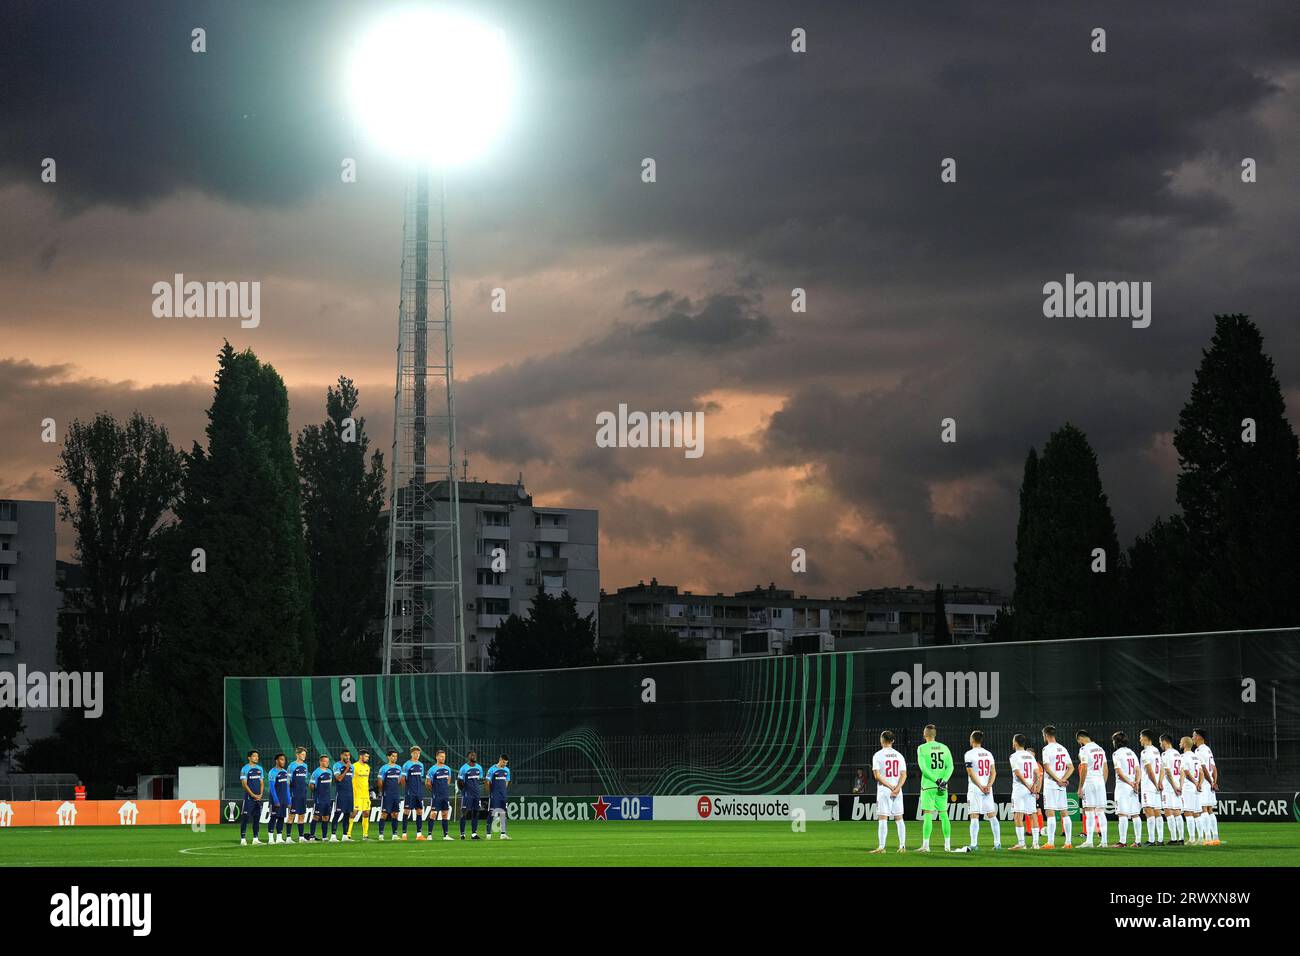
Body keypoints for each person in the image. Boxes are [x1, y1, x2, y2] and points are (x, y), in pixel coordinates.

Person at [915, 725, 953, 852]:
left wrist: (936, 780)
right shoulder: (944, 747)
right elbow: (950, 767)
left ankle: (926, 846)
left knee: (927, 814)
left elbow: (924, 769)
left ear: (924, 734)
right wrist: (943, 781)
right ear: (934, 735)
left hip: (928, 785)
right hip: (942, 786)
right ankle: (947, 846)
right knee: (944, 814)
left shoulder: (921, 748)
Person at [870, 731, 907, 854]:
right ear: (893, 741)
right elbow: (904, 774)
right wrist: (897, 788)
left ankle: (881, 847)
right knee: (899, 818)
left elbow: (877, 775)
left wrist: (891, 787)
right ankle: (902, 846)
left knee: (883, 818)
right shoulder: (899, 755)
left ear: (881, 740)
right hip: (898, 790)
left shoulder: (878, 755)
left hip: (885, 790)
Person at [963, 730, 1000, 850]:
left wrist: (980, 786)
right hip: (987, 789)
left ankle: (974, 844)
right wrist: (989, 785)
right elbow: (993, 772)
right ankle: (997, 843)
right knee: (992, 815)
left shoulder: (969, 754)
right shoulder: (988, 754)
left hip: (976, 788)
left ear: (972, 740)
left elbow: (970, 772)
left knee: (974, 815)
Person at [1040, 726, 1074, 849]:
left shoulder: (1046, 749)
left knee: (1050, 812)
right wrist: (1063, 779)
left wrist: (1058, 780)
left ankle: (1050, 843)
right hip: (1061, 786)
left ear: (1045, 735)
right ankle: (1068, 842)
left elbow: (1047, 767)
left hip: (1051, 785)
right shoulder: (1063, 748)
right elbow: (1071, 767)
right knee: (1064, 813)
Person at [1075, 730, 1108, 847]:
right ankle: (1104, 841)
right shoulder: (1100, 749)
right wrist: (1102, 783)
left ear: (1081, 738)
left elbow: (1083, 768)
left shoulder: (1084, 749)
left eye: (1079, 741)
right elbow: (1105, 769)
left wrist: (1080, 787)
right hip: (1100, 781)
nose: (1080, 744)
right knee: (1100, 812)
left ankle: (1089, 841)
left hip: (1089, 781)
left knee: (1089, 811)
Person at [1008, 734, 1040, 850]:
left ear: (1015, 743)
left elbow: (1017, 773)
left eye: (1013, 741)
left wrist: (1027, 785)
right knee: (1033, 814)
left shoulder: (1013, 756)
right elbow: (1037, 773)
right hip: (1031, 790)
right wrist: (1034, 786)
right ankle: (1035, 843)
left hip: (1020, 789)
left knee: (1018, 815)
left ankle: (1021, 843)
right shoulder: (1030, 755)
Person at [1110, 732, 1142, 847]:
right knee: (1135, 814)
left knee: (1122, 814)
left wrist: (1130, 782)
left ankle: (1122, 842)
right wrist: (1137, 782)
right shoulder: (1132, 753)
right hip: (1134, 786)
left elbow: (1119, 772)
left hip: (1123, 786)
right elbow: (1138, 769)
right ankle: (1137, 842)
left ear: (1116, 742)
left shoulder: (1116, 754)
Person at [1192, 729, 1220, 845]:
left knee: (1203, 809)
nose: (1192, 738)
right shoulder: (1208, 749)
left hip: (1204, 782)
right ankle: (1215, 837)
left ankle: (1207, 838)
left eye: (1193, 735)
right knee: (1210, 810)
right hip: (1210, 783)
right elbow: (1213, 767)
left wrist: (1209, 781)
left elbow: (1203, 768)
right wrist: (1214, 782)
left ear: (1199, 736)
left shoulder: (1198, 751)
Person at [1138, 729, 1164, 845]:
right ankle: (1160, 840)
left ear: (1145, 738)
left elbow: (1148, 770)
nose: (1140, 740)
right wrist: (1160, 782)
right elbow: (1162, 768)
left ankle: (1151, 840)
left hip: (1149, 785)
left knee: (1148, 811)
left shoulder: (1145, 752)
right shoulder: (1156, 750)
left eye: (1140, 737)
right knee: (1157, 811)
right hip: (1157, 785)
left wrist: (1155, 783)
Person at [1158, 733, 1185, 845]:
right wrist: (1180, 786)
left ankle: (1174, 839)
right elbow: (1182, 771)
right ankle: (1181, 839)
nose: (1160, 745)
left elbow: (1168, 771)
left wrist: (1174, 786)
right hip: (1178, 785)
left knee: (1168, 812)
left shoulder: (1165, 754)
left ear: (1164, 741)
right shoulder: (1178, 754)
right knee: (1177, 812)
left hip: (1170, 787)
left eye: (1160, 742)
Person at [1179, 736, 1203, 845]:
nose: (1179, 744)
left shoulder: (1183, 757)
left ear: (1184, 744)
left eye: (1180, 742)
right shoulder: (1196, 756)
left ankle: (1192, 838)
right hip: (1197, 788)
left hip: (1188, 787)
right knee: (1197, 813)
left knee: (1188, 813)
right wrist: (1199, 784)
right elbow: (1202, 772)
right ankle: (1201, 837)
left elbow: (1186, 772)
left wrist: (1194, 783)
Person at [401, 746, 427, 841]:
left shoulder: (421, 765)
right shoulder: (406, 765)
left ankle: (419, 834)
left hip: (419, 792)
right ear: (411, 754)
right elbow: (403, 779)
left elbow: (420, 778)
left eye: (418, 754)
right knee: (406, 812)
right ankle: (404, 834)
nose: (417, 755)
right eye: (415, 753)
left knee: (419, 811)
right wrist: (407, 790)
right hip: (410, 792)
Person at [239, 749, 265, 846]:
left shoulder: (260, 769)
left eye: (257, 756)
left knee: (257, 818)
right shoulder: (244, 769)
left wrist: (260, 794)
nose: (256, 758)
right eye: (254, 756)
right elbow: (244, 784)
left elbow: (262, 783)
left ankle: (255, 839)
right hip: (249, 798)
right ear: (249, 758)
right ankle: (243, 838)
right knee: (245, 818)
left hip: (258, 798)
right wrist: (253, 795)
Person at [427, 749, 454, 841]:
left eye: (444, 757)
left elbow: (448, 780)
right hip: (436, 795)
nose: (443, 758)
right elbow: (428, 783)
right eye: (441, 756)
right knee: (433, 814)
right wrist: (435, 791)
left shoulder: (448, 769)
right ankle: (429, 835)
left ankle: (445, 835)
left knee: (445, 814)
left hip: (445, 795)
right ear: (437, 757)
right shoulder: (432, 769)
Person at [458, 751, 485, 840]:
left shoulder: (479, 768)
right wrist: (464, 791)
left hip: (476, 794)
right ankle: (462, 834)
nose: (474, 756)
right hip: (467, 794)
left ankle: (474, 834)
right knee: (464, 813)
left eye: (475, 755)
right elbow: (459, 781)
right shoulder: (464, 768)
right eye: (471, 755)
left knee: (475, 813)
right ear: (468, 757)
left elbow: (479, 779)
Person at [377, 749, 404, 840]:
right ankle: (381, 835)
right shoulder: (383, 768)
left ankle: (395, 835)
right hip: (387, 794)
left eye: (396, 756)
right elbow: (380, 782)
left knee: (395, 814)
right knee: (384, 814)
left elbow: (399, 780)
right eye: (393, 756)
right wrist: (382, 792)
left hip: (396, 795)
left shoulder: (399, 768)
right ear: (388, 757)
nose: (395, 758)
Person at [308, 754, 334, 842]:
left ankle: (324, 836)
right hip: (319, 798)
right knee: (316, 816)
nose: (327, 763)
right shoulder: (316, 772)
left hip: (327, 798)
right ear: (321, 762)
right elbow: (311, 785)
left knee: (326, 817)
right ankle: (311, 836)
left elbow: (329, 784)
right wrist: (317, 791)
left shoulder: (330, 772)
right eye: (325, 761)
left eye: (328, 761)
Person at [267, 753, 292, 844]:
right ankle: (270, 838)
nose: (283, 761)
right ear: (277, 760)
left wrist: (289, 801)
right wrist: (276, 800)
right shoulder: (272, 772)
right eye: (281, 759)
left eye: (284, 760)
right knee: (273, 817)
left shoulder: (285, 772)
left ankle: (279, 837)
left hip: (284, 799)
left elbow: (287, 788)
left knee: (281, 818)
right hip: (275, 800)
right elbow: (272, 788)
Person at [287, 747, 311, 843]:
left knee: (302, 815)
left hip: (302, 794)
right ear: (297, 755)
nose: (304, 756)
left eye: (305, 754)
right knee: (291, 815)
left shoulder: (305, 766)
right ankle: (288, 837)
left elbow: (304, 780)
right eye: (302, 754)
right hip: (294, 794)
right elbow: (288, 781)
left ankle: (301, 837)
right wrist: (288, 795)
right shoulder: (291, 766)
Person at [348, 749, 372, 841]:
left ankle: (365, 835)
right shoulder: (354, 766)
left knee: (366, 812)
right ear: (361, 756)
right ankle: (348, 834)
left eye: (368, 757)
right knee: (354, 813)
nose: (367, 758)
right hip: (356, 794)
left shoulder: (367, 767)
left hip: (365, 794)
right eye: (366, 756)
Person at [485, 754, 511, 840]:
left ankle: (503, 834)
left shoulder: (507, 770)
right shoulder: (492, 769)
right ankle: (488, 834)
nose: (505, 764)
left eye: (506, 763)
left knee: (503, 814)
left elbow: (506, 781)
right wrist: (491, 792)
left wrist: (503, 791)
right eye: (504, 762)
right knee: (491, 813)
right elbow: (487, 781)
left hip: (503, 796)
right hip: (494, 795)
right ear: (500, 759)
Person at [333, 749, 355, 842]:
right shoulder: (337, 765)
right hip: (341, 793)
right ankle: (333, 836)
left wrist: (349, 767)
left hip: (349, 793)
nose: (347, 757)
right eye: (345, 755)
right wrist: (346, 768)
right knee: (337, 814)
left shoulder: (352, 767)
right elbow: (339, 779)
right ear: (341, 756)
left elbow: (351, 779)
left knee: (347, 814)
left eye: (349, 755)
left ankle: (345, 836)